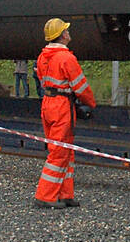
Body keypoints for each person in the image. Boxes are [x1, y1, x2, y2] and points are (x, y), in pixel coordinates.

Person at [34, 18, 95, 209]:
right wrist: (90, 103)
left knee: (64, 151)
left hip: (48, 104)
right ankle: (45, 196)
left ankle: (65, 194)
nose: (69, 33)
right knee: (59, 152)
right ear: (63, 35)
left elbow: (43, 80)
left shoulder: (43, 56)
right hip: (61, 106)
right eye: (66, 30)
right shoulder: (67, 58)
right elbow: (81, 86)